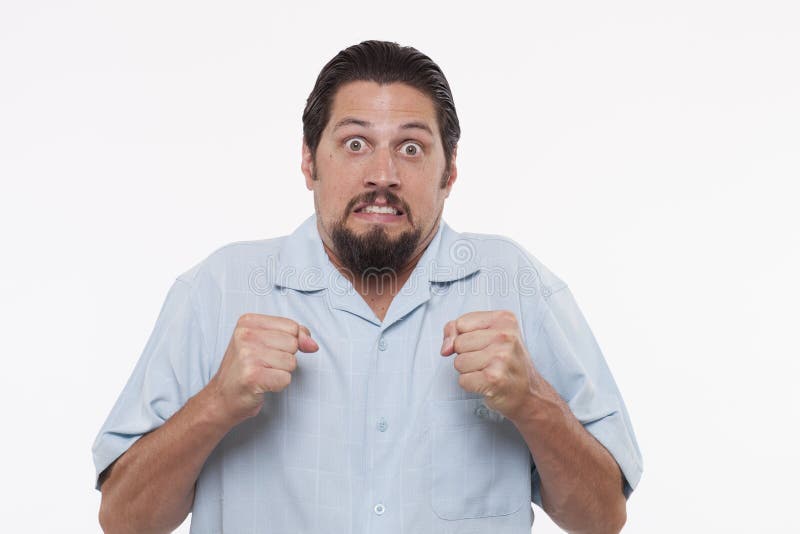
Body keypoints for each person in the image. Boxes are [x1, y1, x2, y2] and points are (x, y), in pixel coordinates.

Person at [93, 40, 643, 534]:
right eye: (355, 144)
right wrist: (216, 403)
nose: (383, 173)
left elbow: (602, 519)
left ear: (449, 172)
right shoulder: (217, 290)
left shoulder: (518, 286)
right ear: (309, 162)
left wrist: (533, 405)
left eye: (410, 148)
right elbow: (123, 520)